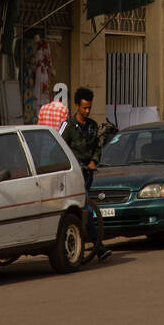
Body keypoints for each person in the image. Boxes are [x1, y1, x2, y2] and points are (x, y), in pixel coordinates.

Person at [61, 87, 111, 261]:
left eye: (89, 107)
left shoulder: (92, 126)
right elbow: (59, 147)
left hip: (88, 174)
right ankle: (99, 247)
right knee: (85, 210)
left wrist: (94, 161)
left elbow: (97, 147)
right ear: (77, 106)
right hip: (74, 175)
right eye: (84, 108)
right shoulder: (68, 126)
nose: (87, 111)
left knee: (85, 209)